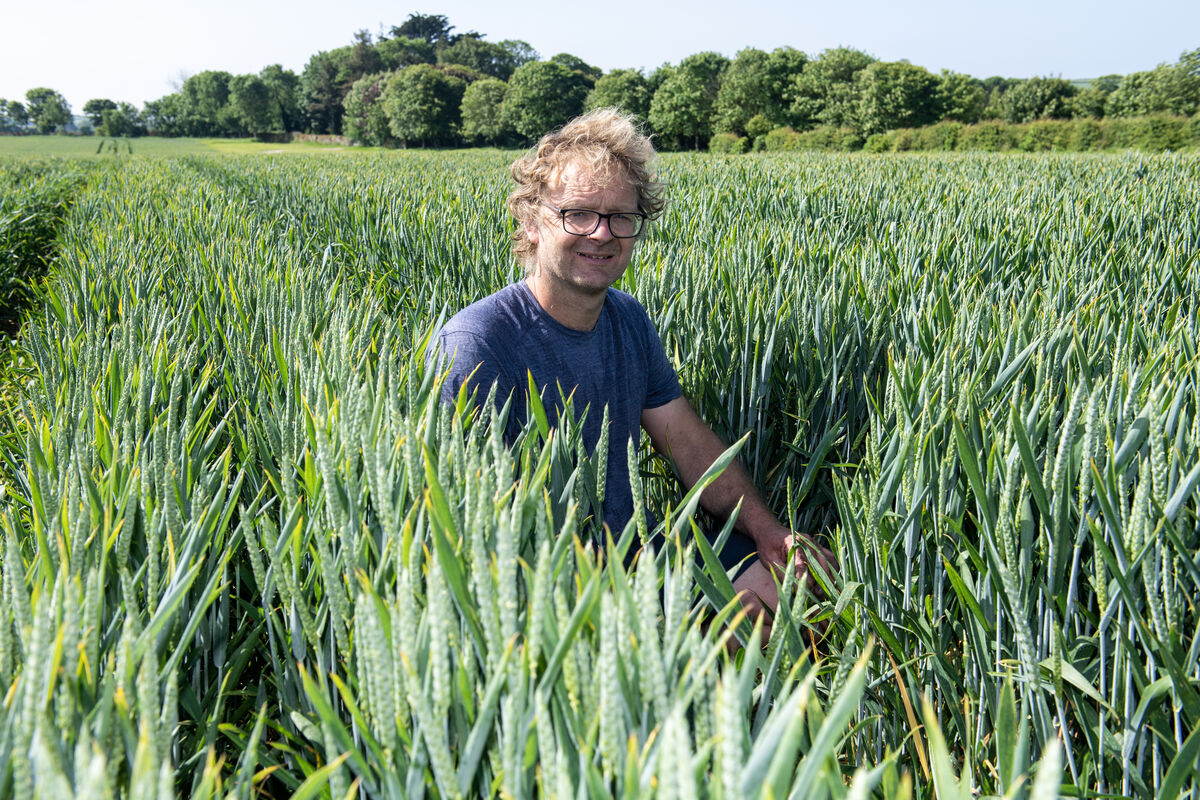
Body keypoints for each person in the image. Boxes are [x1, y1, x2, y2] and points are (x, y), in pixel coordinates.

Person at [433, 108, 836, 633]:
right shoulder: (478, 344)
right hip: (549, 591)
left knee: (795, 585)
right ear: (531, 222)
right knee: (734, 627)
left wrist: (769, 531)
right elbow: (462, 523)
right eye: (578, 214)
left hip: (638, 555)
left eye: (620, 217)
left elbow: (686, 441)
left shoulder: (627, 319)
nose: (602, 234)